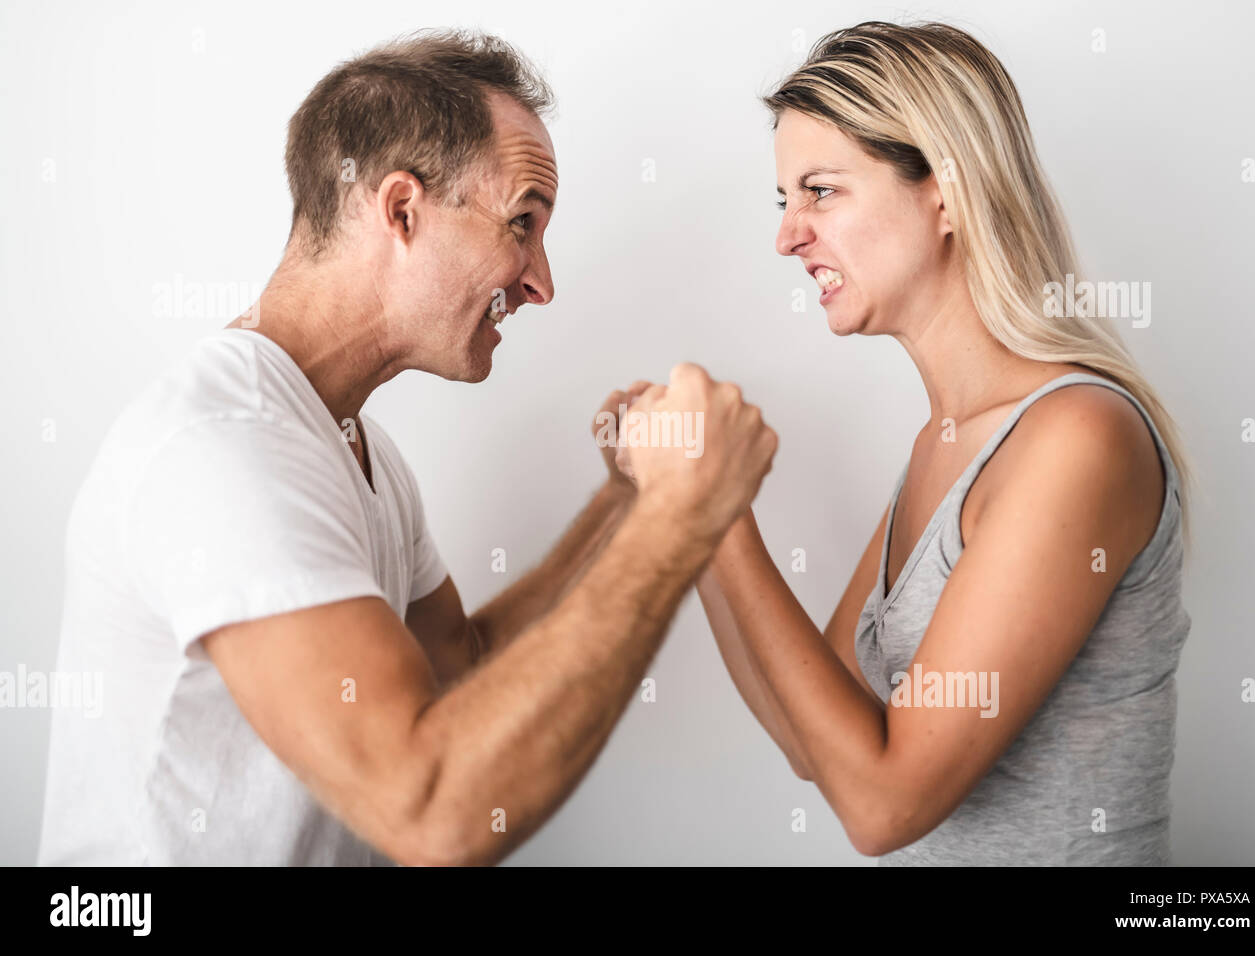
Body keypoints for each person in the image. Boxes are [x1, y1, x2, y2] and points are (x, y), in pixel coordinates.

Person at [37, 29, 776, 866]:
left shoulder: (361, 451)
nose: (541, 281)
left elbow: (462, 669)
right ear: (400, 210)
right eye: (523, 223)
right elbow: (429, 810)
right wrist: (679, 523)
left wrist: (627, 501)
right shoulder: (224, 450)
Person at [683, 21, 1194, 865]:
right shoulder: (942, 446)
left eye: (821, 191)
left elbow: (884, 807)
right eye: (785, 201)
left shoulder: (1077, 438)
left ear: (947, 192)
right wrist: (688, 524)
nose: (788, 235)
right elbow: (814, 744)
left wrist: (718, 509)